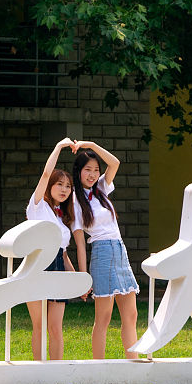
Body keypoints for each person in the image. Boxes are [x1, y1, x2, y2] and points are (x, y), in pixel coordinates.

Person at [70, 141, 140, 359]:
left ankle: (134, 363)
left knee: (131, 315)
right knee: (104, 317)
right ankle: (99, 368)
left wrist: (90, 145)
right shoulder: (74, 198)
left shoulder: (100, 190)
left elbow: (115, 163)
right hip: (101, 253)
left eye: (95, 170)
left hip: (120, 251)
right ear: (78, 172)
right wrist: (83, 278)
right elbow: (80, 242)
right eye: (87, 170)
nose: (92, 175)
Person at [25, 138, 78, 360]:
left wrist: (75, 278)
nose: (64, 189)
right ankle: (38, 369)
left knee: (55, 327)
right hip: (37, 265)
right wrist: (59, 147)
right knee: (39, 325)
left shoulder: (62, 217)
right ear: (50, 186)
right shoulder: (38, 206)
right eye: (60, 185)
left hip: (57, 265)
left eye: (68, 186)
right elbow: (46, 174)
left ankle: (57, 371)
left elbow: (64, 252)